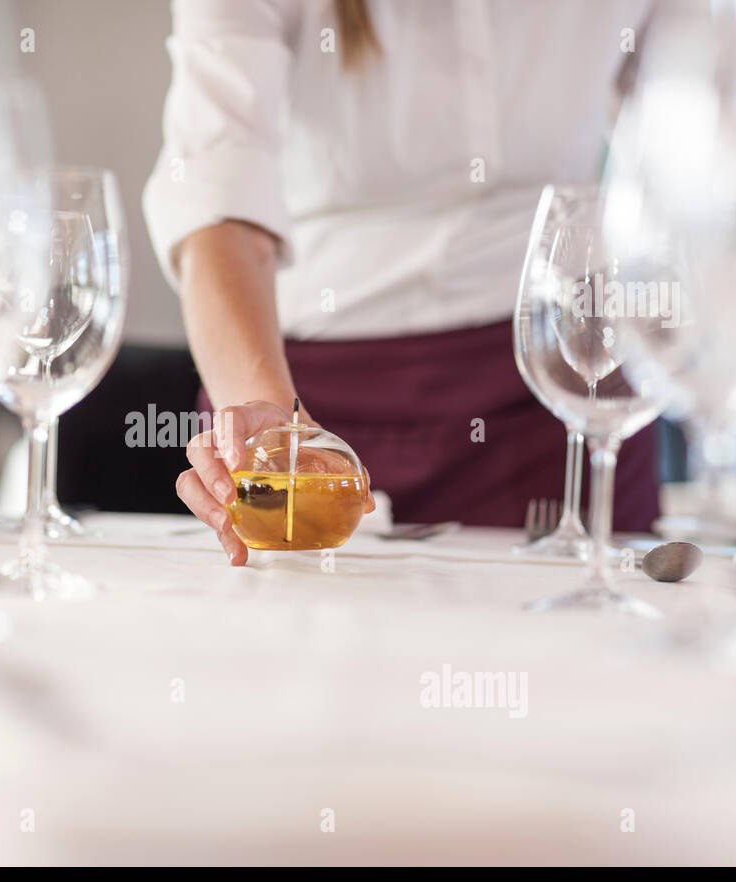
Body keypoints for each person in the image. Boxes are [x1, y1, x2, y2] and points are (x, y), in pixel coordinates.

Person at [143, 0, 664, 565]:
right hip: (297, 392)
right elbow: (220, 200)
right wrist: (276, 428)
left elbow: (706, 156)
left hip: (560, 395)